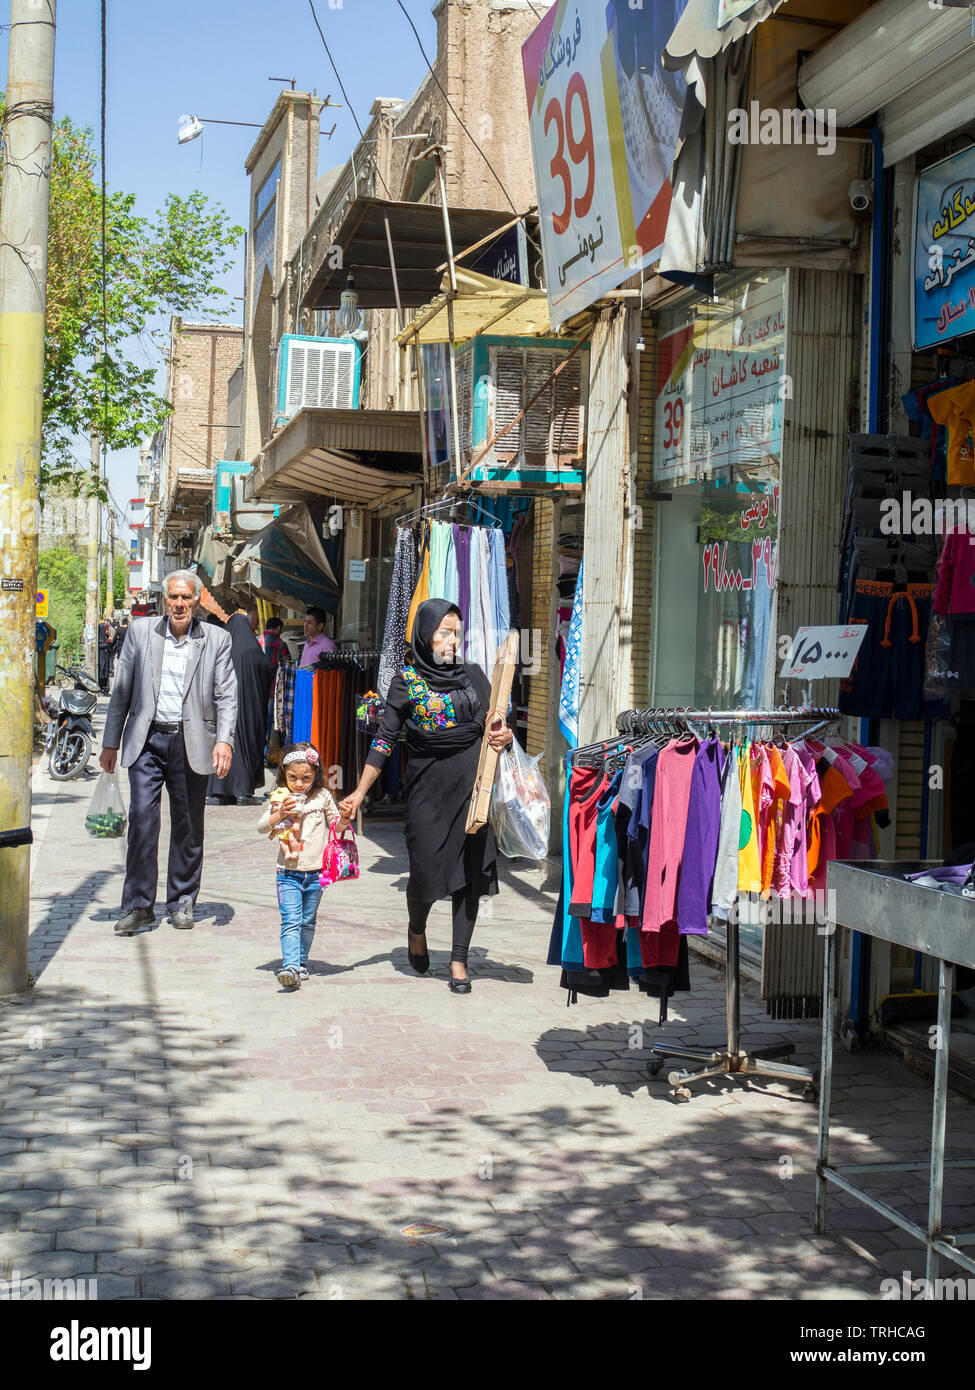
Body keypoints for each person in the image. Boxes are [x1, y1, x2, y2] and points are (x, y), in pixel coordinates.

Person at [339, 598, 513, 993]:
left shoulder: (473, 674)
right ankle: (416, 928)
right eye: (444, 632)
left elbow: (497, 719)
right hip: (427, 793)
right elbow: (384, 741)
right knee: (425, 876)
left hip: (473, 788)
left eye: (457, 633)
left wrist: (505, 733)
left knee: (470, 875)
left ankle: (458, 961)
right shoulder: (406, 682)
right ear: (425, 634)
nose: (453, 640)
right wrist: (359, 791)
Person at [99, 570, 237, 936]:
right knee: (142, 822)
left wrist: (224, 740)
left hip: (191, 742)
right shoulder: (141, 633)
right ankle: (139, 906)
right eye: (173, 597)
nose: (178, 604)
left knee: (188, 826)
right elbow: (122, 691)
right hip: (146, 741)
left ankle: (181, 902)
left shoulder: (216, 640)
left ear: (196, 601)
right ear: (164, 599)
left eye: (185, 598)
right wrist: (110, 742)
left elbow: (227, 694)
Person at [258, 742, 350, 990]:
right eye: (292, 778)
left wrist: (344, 818)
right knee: (291, 920)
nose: (298, 783)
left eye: (305, 778)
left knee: (308, 921)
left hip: (317, 873)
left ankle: (299, 963)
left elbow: (335, 828)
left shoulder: (322, 796)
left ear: (316, 775)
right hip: (287, 873)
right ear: (284, 775)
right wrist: (279, 814)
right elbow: (261, 827)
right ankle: (290, 967)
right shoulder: (280, 795)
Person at [207, 611, 273, 805]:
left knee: (224, 742)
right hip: (249, 709)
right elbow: (268, 669)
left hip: (224, 708)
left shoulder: (221, 649)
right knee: (247, 745)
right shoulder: (253, 650)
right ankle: (243, 791)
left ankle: (221, 790)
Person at [97, 618, 116, 694]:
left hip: (103, 654)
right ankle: (104, 688)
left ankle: (103, 687)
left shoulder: (100, 640)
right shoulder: (104, 641)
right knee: (104, 672)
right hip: (104, 655)